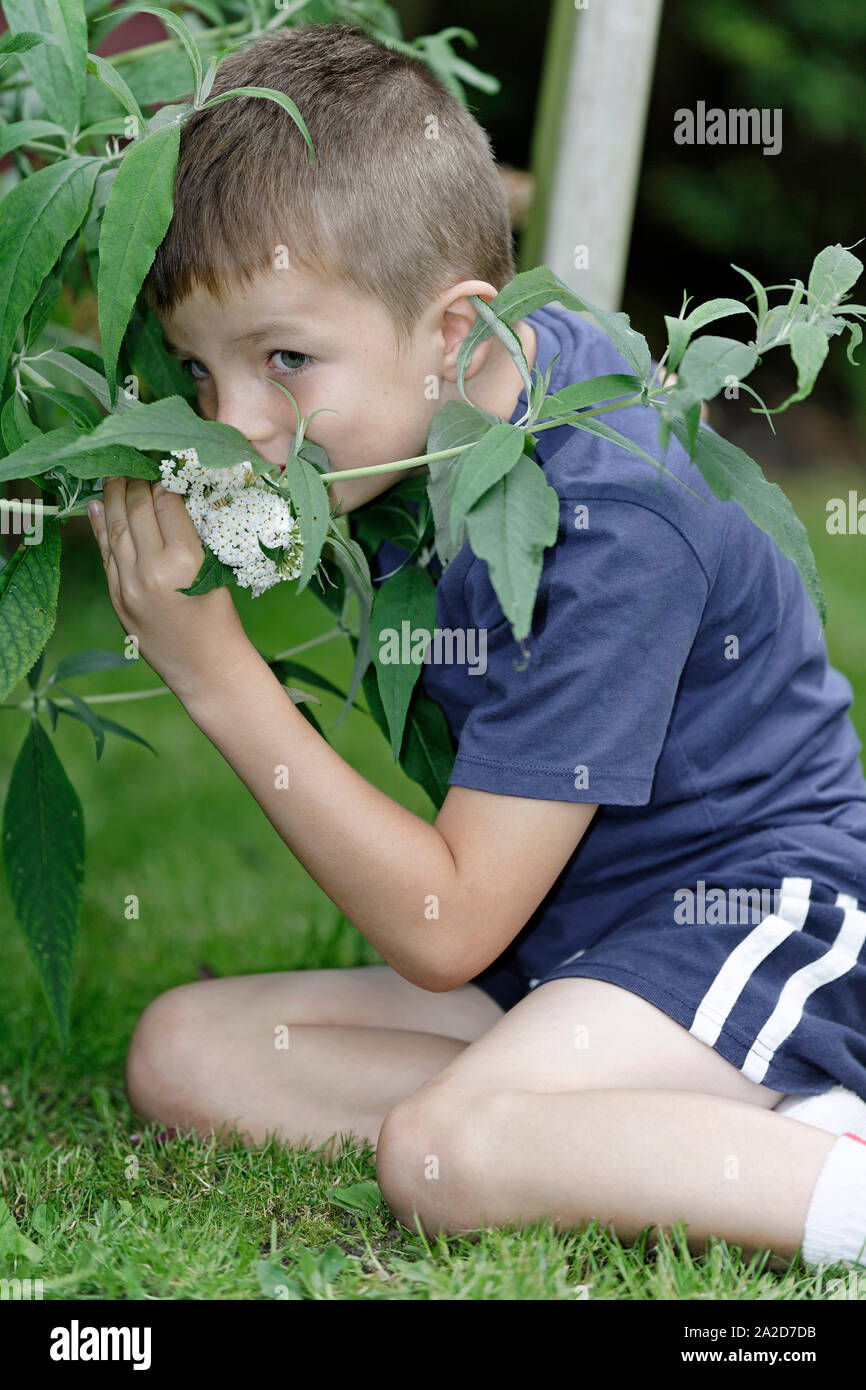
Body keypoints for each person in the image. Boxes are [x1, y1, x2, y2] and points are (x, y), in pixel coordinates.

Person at [87, 22, 866, 1272]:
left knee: (441, 1155)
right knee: (184, 1053)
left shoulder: (615, 512)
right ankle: (664, 1125)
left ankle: (824, 1163)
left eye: (284, 359)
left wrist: (213, 669)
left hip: (750, 923)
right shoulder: (417, 425)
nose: (234, 423)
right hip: (567, 945)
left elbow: (446, 923)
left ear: (455, 334)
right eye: (199, 366)